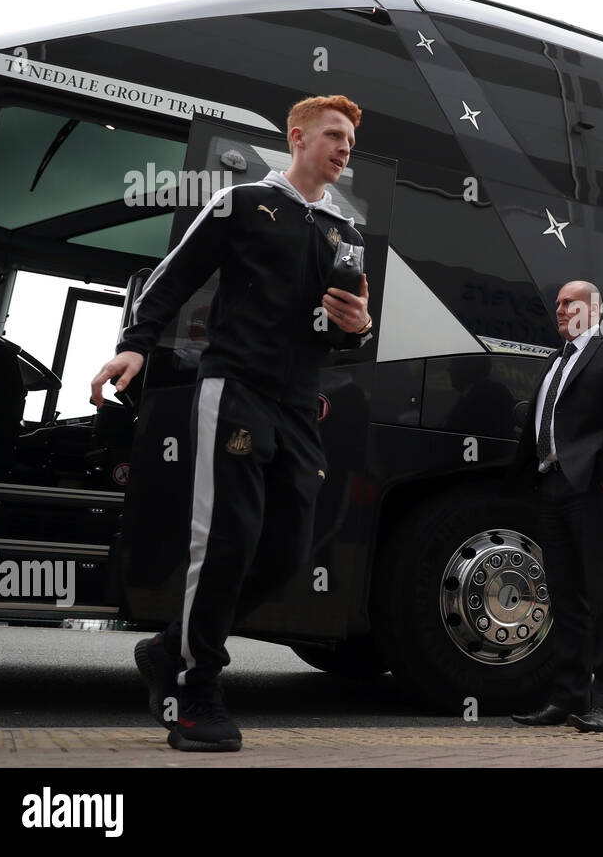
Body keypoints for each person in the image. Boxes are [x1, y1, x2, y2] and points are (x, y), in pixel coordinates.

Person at [89, 95, 372, 752]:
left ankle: (172, 649)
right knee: (225, 541)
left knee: (286, 552)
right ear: (297, 137)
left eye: (350, 142)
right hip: (235, 389)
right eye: (334, 135)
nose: (344, 148)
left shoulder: (346, 232)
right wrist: (136, 342)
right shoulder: (241, 204)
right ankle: (195, 692)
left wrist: (360, 327)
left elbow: (342, 330)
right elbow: (174, 275)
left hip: (300, 405)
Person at [506, 281, 603, 732]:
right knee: (565, 599)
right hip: (553, 488)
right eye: (559, 304)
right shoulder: (555, 360)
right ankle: (567, 699)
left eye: (570, 303)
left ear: (595, 308)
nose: (560, 309)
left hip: (594, 486)